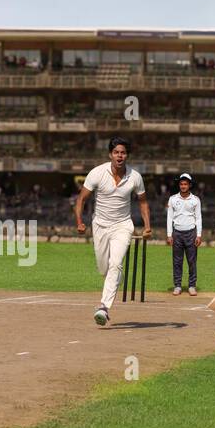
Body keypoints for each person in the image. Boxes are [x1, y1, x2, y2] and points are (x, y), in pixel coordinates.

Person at [73, 137, 152, 326]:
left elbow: (143, 203)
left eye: (123, 152)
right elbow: (81, 200)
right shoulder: (97, 173)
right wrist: (79, 222)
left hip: (123, 225)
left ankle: (103, 307)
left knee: (115, 264)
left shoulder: (135, 177)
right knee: (104, 269)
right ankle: (116, 277)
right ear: (110, 154)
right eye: (116, 152)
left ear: (127, 155)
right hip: (100, 225)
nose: (120, 156)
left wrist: (147, 226)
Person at [166, 173, 202, 296]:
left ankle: (192, 286)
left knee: (192, 261)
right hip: (177, 233)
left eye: (185, 184)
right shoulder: (172, 199)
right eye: (181, 184)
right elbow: (169, 217)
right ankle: (177, 285)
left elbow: (198, 218)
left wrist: (199, 235)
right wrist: (169, 235)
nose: (183, 186)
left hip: (191, 233)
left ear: (189, 185)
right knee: (177, 261)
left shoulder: (195, 200)